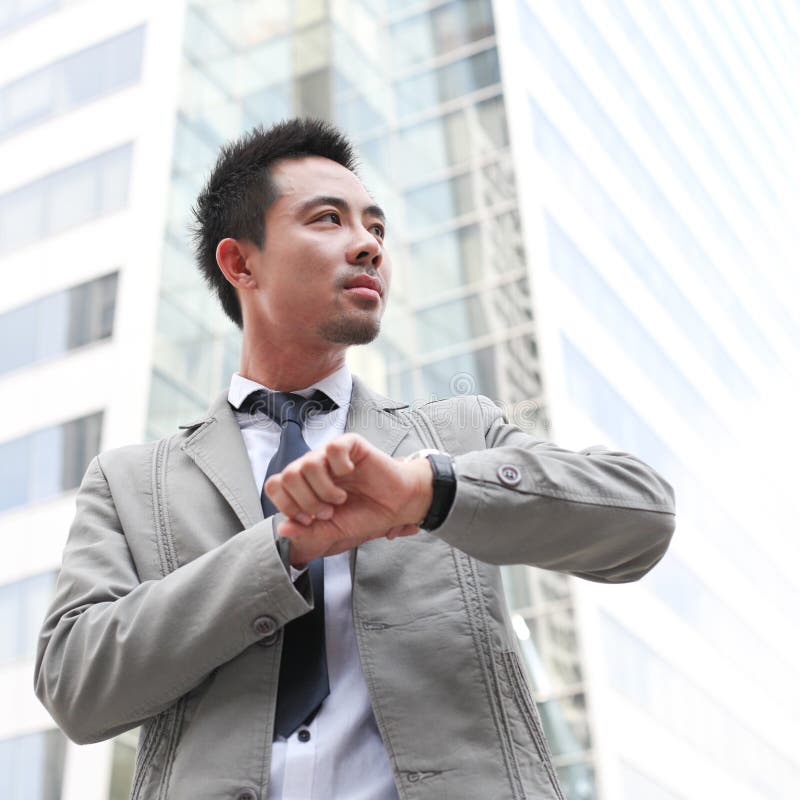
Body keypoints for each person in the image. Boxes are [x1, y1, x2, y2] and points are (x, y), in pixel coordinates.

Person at [34, 118, 675, 800]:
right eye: (328, 220)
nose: (367, 245)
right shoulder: (132, 484)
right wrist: (278, 552)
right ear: (240, 263)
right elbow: (76, 685)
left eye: (377, 227)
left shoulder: (458, 433)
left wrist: (428, 492)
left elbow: (641, 516)